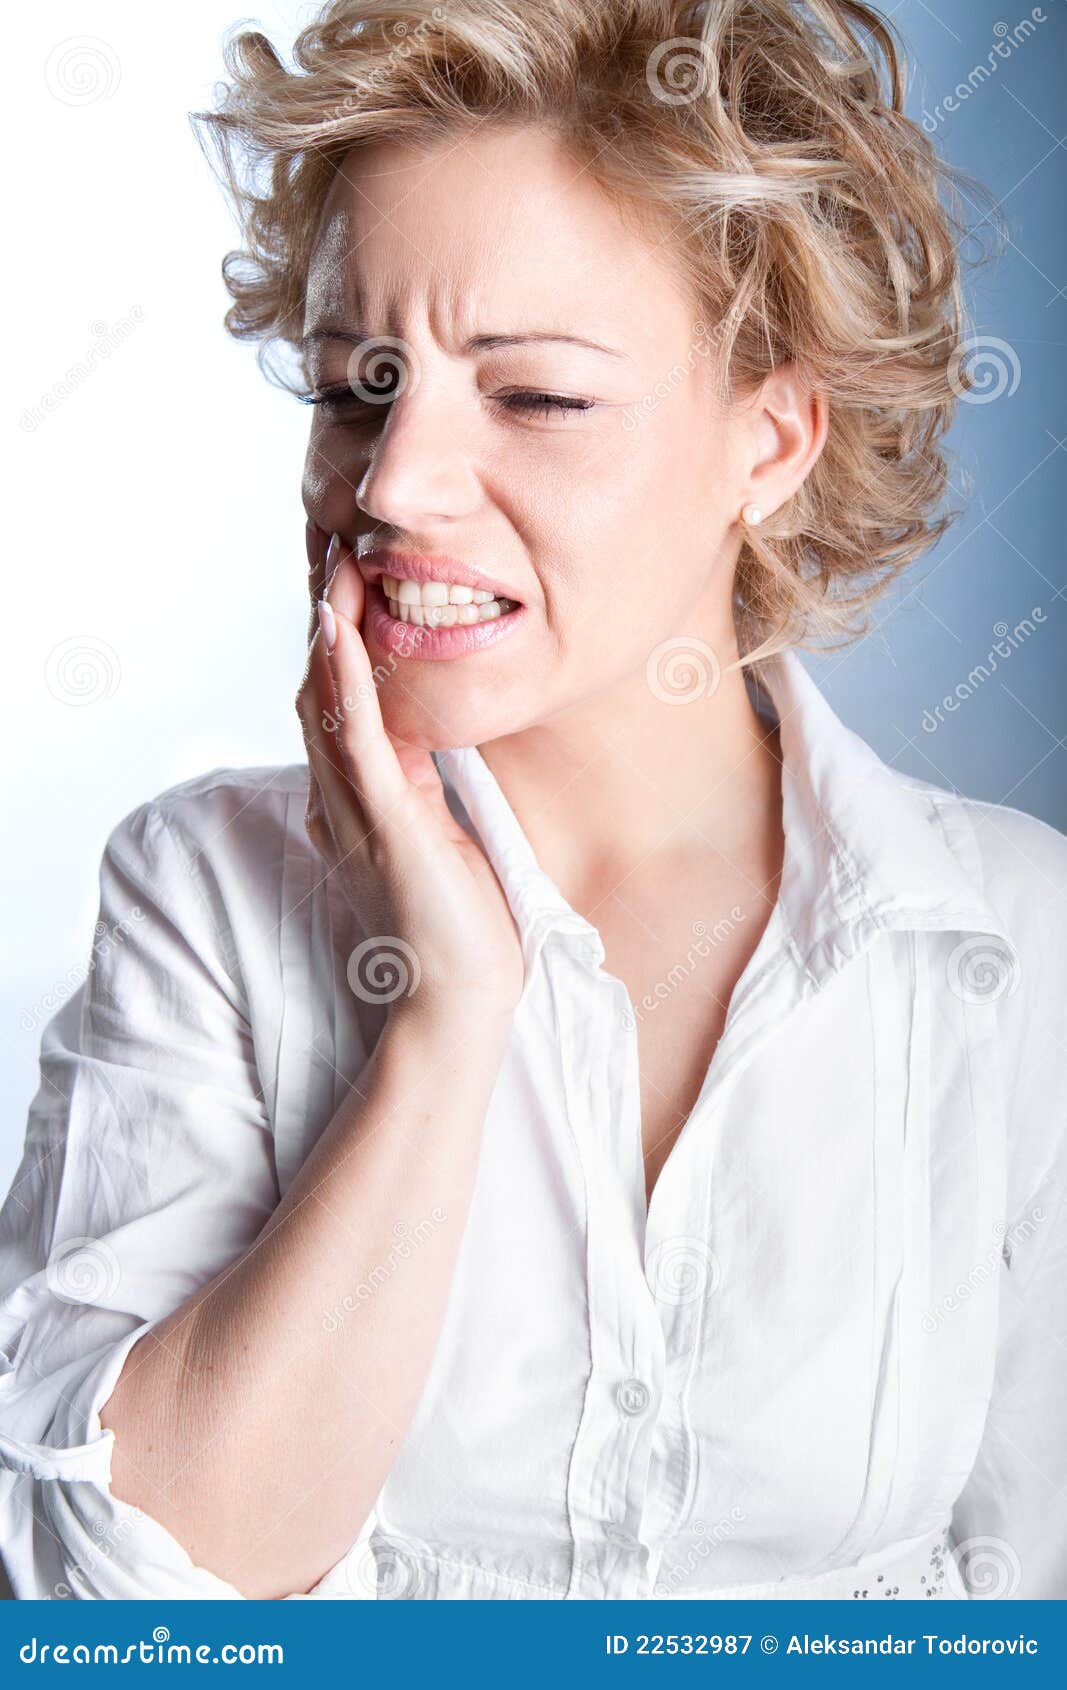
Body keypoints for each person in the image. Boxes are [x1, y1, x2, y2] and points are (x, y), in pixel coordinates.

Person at [1, 0, 1064, 1601]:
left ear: (770, 439)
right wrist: (444, 1019)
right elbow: (113, 1600)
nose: (391, 485)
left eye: (538, 397)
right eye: (362, 380)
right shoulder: (208, 891)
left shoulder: (1013, 938)